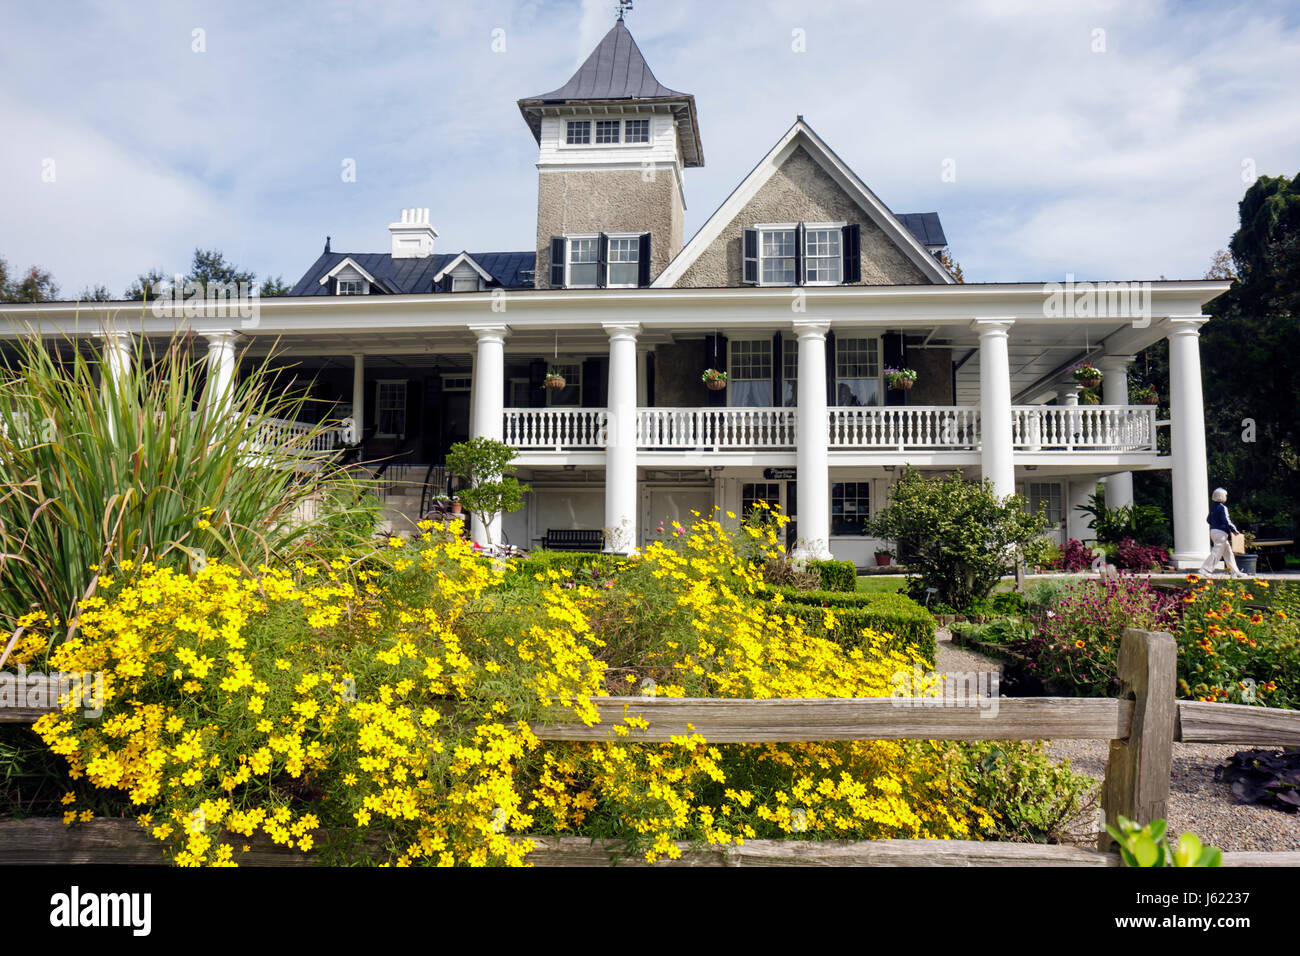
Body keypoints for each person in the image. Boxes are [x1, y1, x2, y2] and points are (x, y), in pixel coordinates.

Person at [1198, 487, 1245, 577]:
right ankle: (1205, 569)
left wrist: (1215, 524)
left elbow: (1208, 520)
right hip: (1221, 532)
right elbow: (1227, 520)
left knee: (1228, 552)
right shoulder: (1222, 507)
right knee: (1217, 551)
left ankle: (1234, 571)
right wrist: (1234, 530)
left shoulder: (1213, 507)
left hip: (1213, 531)